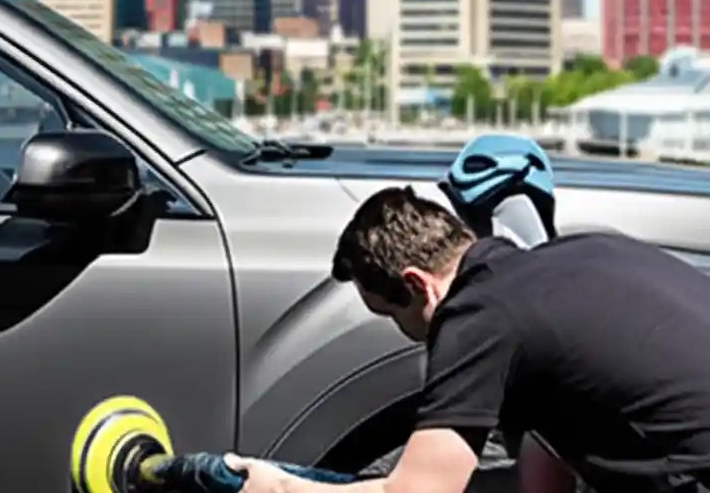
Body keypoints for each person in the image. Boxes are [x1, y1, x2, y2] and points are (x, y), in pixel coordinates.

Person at [224, 185, 710, 493]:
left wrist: (284, 488)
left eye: (390, 313)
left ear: (416, 285)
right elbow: (555, 443)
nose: (405, 333)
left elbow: (419, 492)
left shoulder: (477, 316)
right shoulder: (581, 255)